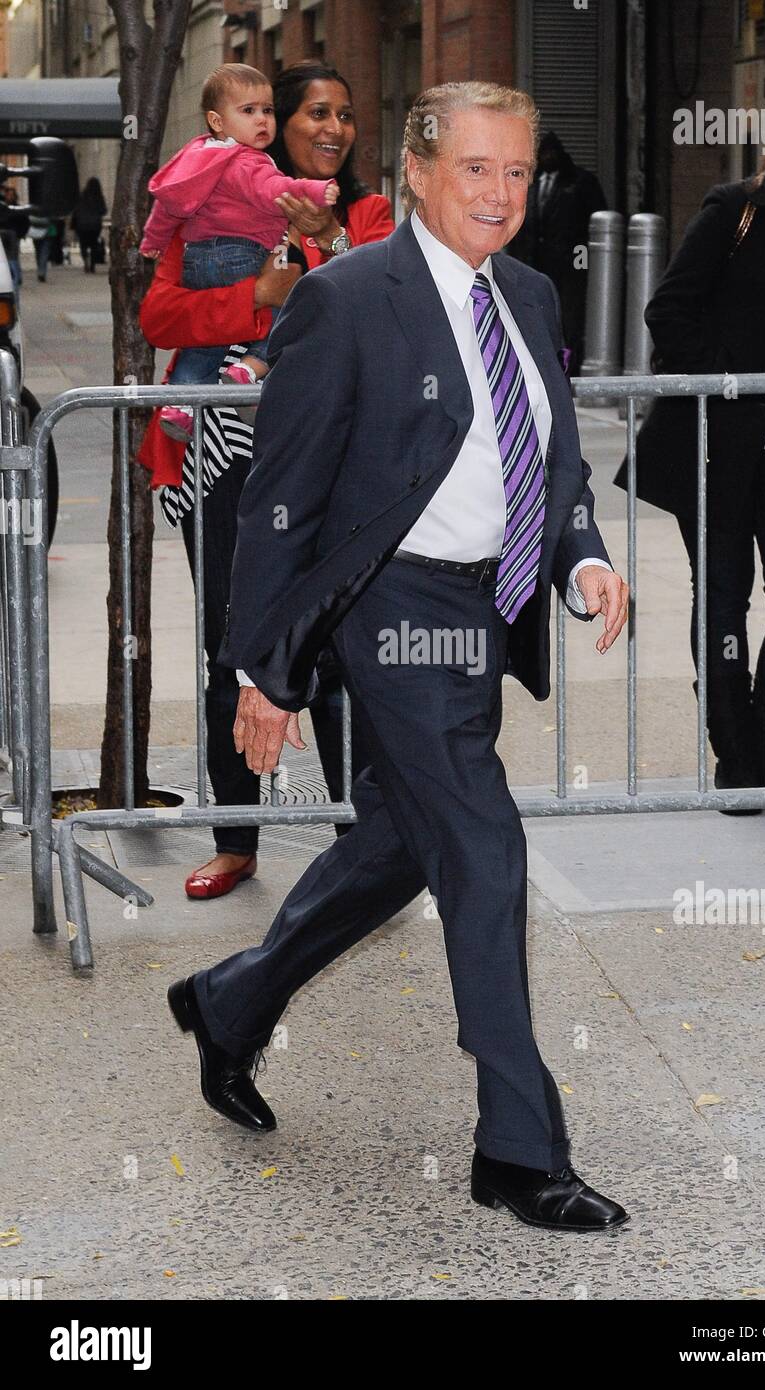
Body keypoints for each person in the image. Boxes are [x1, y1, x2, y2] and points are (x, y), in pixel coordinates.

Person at [167, 81, 631, 1233]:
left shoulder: (524, 292)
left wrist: (581, 556)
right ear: (418, 174)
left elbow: (552, 451)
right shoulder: (346, 298)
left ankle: (230, 1005)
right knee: (484, 842)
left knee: (398, 843)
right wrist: (261, 668)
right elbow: (281, 500)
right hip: (392, 603)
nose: (500, 193)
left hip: (481, 609)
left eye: (518, 172)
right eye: (476, 168)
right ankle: (519, 1148)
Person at [137, 61, 395, 899]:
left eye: (346, 114)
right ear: (267, 125)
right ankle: (236, 839)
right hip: (221, 453)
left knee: (333, 648)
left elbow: (388, 306)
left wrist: (320, 245)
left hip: (333, 456)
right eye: (315, 112)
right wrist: (259, 291)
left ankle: (360, 839)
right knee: (229, 644)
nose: (334, 128)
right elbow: (159, 315)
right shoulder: (209, 204)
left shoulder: (368, 212)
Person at [615, 69, 765, 810]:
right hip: (715, 444)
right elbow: (670, 312)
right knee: (721, 597)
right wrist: (724, 388)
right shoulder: (736, 210)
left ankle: (764, 745)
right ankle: (739, 758)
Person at [140, 62, 337, 441]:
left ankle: (183, 403)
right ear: (216, 120)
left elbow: (165, 209)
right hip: (212, 456)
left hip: (201, 262)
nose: (262, 120)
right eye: (249, 111)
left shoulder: (195, 164)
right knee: (292, 312)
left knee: (204, 348)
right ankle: (251, 370)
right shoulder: (250, 163)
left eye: (267, 111)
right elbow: (157, 320)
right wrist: (258, 294)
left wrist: (152, 243)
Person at [507, 130, 607, 373]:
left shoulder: (581, 182)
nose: (548, 157)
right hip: (533, 265)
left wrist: (582, 263)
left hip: (570, 268)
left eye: (553, 152)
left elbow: (596, 227)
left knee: (569, 322)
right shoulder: (530, 184)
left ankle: (567, 368)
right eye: (544, 153)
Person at [71, 177, 107, 273]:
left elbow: (76, 211)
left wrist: (74, 223)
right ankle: (92, 264)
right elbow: (103, 211)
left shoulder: (82, 197)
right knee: (93, 245)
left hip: (82, 225)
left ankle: (86, 259)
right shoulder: (99, 197)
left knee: (83, 244)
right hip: (95, 225)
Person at [0, 183, 28, 297]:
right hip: (6, 235)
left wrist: (20, 234)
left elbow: (25, 223)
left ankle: (16, 278)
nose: (9, 196)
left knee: (13, 260)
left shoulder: (17, 209)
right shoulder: (4, 207)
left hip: (12, 236)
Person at [29, 211, 54, 282]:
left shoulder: (34, 208)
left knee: (38, 252)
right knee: (44, 253)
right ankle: (42, 271)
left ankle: (40, 269)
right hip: (47, 233)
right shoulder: (49, 209)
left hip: (36, 234)